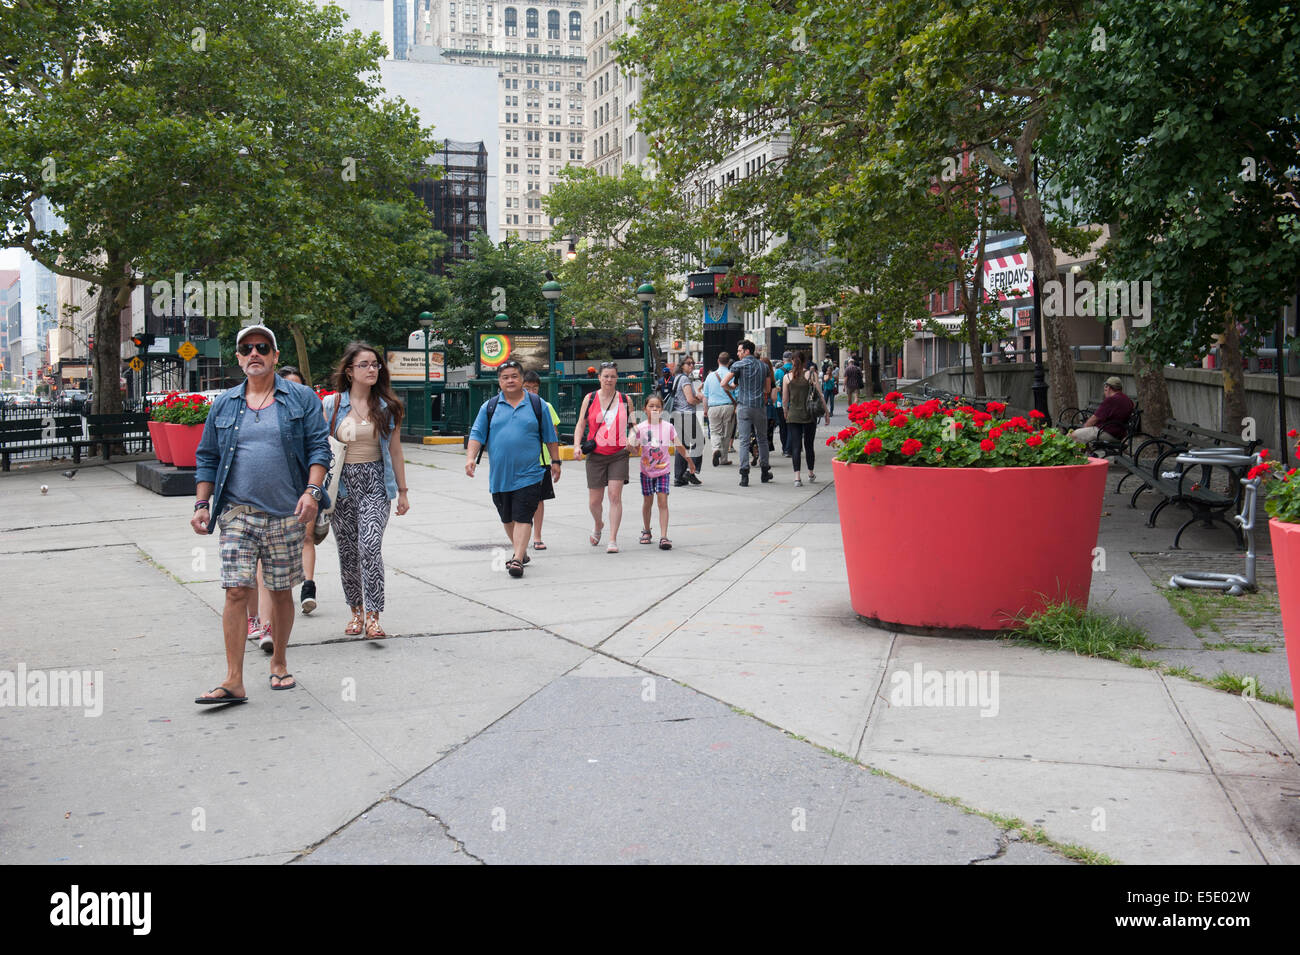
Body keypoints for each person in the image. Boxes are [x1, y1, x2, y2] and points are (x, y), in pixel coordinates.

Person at [191, 324, 330, 704]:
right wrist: (202, 504)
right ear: (238, 358)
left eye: (262, 348)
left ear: (274, 355)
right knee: (236, 590)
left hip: (287, 512)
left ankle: (280, 662)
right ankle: (234, 679)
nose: (255, 353)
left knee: (281, 591)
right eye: (247, 348)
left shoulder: (300, 398)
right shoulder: (224, 404)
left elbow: (320, 449)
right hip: (238, 512)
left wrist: (312, 492)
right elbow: (207, 457)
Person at [322, 343, 409, 639]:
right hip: (341, 486)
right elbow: (322, 450)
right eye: (365, 365)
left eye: (375, 364)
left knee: (369, 547)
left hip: (374, 484)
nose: (372, 369)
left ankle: (374, 616)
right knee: (348, 553)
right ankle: (355, 611)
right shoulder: (332, 405)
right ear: (350, 371)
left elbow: (395, 451)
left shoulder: (388, 407)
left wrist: (403, 490)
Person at [466, 360, 560, 577]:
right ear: (499, 381)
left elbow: (550, 436)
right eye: (505, 377)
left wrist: (556, 462)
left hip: (530, 473)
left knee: (523, 515)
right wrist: (470, 458)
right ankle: (522, 551)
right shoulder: (489, 407)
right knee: (507, 517)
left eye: (514, 376)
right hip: (500, 475)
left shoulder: (538, 405)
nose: (510, 380)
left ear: (521, 379)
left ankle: (517, 558)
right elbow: (477, 434)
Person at [573, 362, 631, 552]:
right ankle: (598, 524)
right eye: (605, 376)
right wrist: (576, 446)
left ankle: (613, 539)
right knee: (594, 502)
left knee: (615, 496)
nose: (609, 380)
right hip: (596, 454)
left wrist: (633, 438)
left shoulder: (625, 399)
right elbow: (581, 425)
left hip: (619, 453)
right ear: (599, 377)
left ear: (617, 378)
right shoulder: (589, 399)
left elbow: (633, 425)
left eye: (613, 376)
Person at [629, 394, 693, 549]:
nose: (654, 409)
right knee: (647, 502)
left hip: (663, 471)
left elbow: (678, 445)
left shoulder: (668, 427)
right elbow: (636, 450)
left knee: (663, 502)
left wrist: (690, 461)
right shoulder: (641, 428)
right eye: (651, 406)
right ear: (645, 409)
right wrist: (630, 444)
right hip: (646, 472)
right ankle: (646, 530)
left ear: (662, 409)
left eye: (657, 406)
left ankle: (664, 537)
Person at [720, 340, 772, 486]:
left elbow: (723, 383)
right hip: (759, 407)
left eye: (739, 351)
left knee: (743, 441)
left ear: (746, 351)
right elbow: (767, 390)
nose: (737, 353)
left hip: (743, 406)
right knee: (762, 439)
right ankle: (764, 471)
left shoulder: (738, 365)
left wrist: (733, 388)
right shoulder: (764, 366)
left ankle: (744, 475)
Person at [523, 370, 562, 551]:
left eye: (535, 388)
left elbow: (552, 434)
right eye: (527, 388)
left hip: (541, 460)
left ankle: (537, 536)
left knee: (539, 499)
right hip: (521, 460)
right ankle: (522, 536)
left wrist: (555, 461)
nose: (531, 392)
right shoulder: (515, 405)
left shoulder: (544, 406)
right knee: (520, 500)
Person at [782, 351, 820, 486]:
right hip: (809, 415)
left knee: (795, 446)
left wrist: (785, 412)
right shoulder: (811, 375)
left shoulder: (787, 377)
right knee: (809, 445)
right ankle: (810, 473)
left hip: (793, 415)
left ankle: (797, 477)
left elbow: (785, 399)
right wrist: (826, 412)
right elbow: (820, 395)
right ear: (805, 361)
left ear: (792, 361)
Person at [669, 355, 703, 487]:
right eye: (688, 363)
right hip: (687, 415)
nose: (692, 365)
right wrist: (698, 399)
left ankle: (679, 477)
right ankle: (690, 471)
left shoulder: (677, 378)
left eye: (693, 363)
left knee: (681, 446)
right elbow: (690, 400)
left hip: (678, 415)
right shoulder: (685, 379)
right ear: (682, 365)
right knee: (699, 442)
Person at [1069, 376, 1135, 445]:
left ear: (1108, 387)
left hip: (1107, 432)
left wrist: (1084, 428)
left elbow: (1094, 419)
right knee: (1083, 435)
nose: (1105, 392)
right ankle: (1090, 453)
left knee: (1072, 435)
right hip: (1120, 434)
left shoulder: (1111, 400)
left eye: (1105, 388)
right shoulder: (1128, 400)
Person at [702, 351, 736, 466]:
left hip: (713, 407)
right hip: (728, 406)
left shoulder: (710, 376)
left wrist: (705, 410)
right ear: (729, 362)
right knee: (727, 433)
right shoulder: (731, 375)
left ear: (718, 361)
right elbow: (736, 392)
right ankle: (724, 459)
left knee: (715, 432)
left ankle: (716, 449)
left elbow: (705, 396)